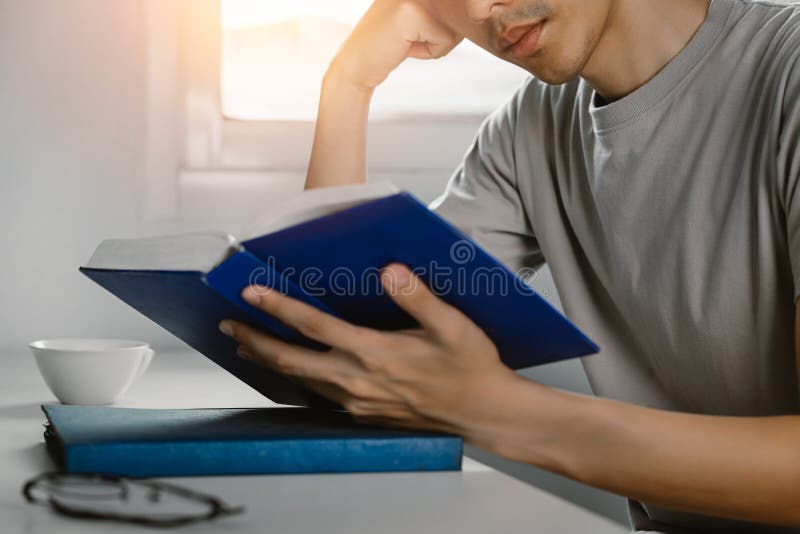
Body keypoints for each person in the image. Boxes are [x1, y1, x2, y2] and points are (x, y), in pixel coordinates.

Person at [217, 0, 800, 531]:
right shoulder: (531, 127)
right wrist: (348, 85)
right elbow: (348, 360)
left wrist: (498, 412)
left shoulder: (787, 70)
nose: (477, 9)